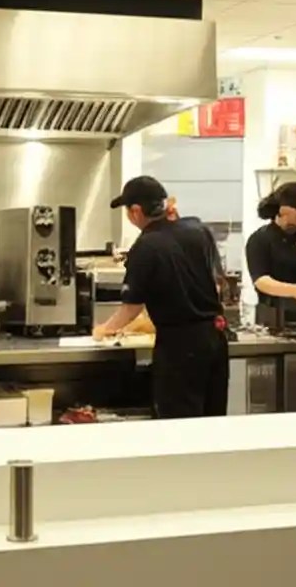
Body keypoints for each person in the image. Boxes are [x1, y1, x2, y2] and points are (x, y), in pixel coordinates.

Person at [94, 176, 228, 419]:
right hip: (215, 338)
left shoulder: (146, 246)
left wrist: (104, 329)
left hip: (180, 347)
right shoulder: (199, 229)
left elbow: (131, 308)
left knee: (180, 425)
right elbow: (217, 283)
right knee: (213, 420)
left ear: (135, 211)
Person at [245, 182, 296, 327]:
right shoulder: (260, 239)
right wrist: (295, 290)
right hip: (272, 318)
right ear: (281, 210)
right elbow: (261, 281)